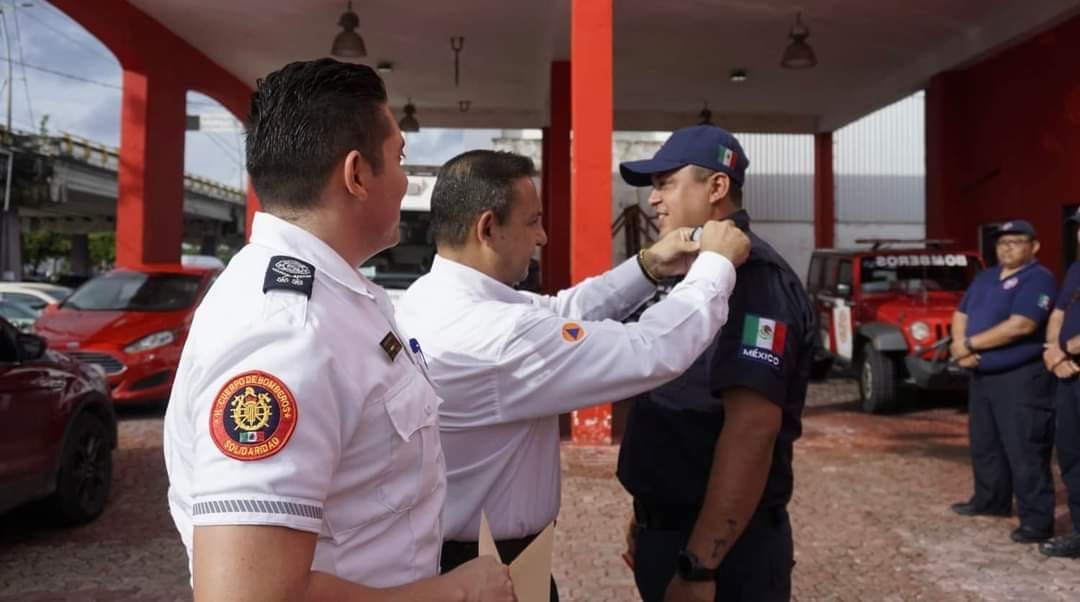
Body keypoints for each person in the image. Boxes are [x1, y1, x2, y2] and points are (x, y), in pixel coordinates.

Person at [163, 59, 514, 602]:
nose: (405, 180)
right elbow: (245, 595)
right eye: (399, 158)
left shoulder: (336, 298)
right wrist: (455, 594)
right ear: (355, 174)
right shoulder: (286, 332)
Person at [395, 149, 751, 601]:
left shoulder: (434, 296)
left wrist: (648, 266)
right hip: (490, 570)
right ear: (488, 228)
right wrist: (715, 266)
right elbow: (653, 349)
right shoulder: (496, 334)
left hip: (466, 557)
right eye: (532, 221)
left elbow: (558, 311)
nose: (542, 236)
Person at [614, 126, 815, 602]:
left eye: (665, 183)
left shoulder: (755, 281)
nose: (653, 200)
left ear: (717, 187)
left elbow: (751, 430)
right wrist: (649, 514)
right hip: (674, 527)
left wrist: (699, 564)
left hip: (724, 556)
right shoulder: (694, 269)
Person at [949, 219, 1058, 544]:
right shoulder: (986, 277)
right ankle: (990, 501)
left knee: (1024, 447)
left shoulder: (1039, 279)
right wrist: (958, 346)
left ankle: (1036, 521)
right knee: (985, 443)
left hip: (1020, 378)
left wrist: (970, 345)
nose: (1007, 248)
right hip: (982, 375)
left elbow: (1022, 325)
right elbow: (961, 314)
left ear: (1034, 246)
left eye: (1016, 241)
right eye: (1002, 243)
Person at [1040, 207, 1080, 558]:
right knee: (1071, 456)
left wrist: (1064, 349)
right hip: (1068, 375)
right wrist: (1052, 351)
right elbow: (1057, 314)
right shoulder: (1076, 270)